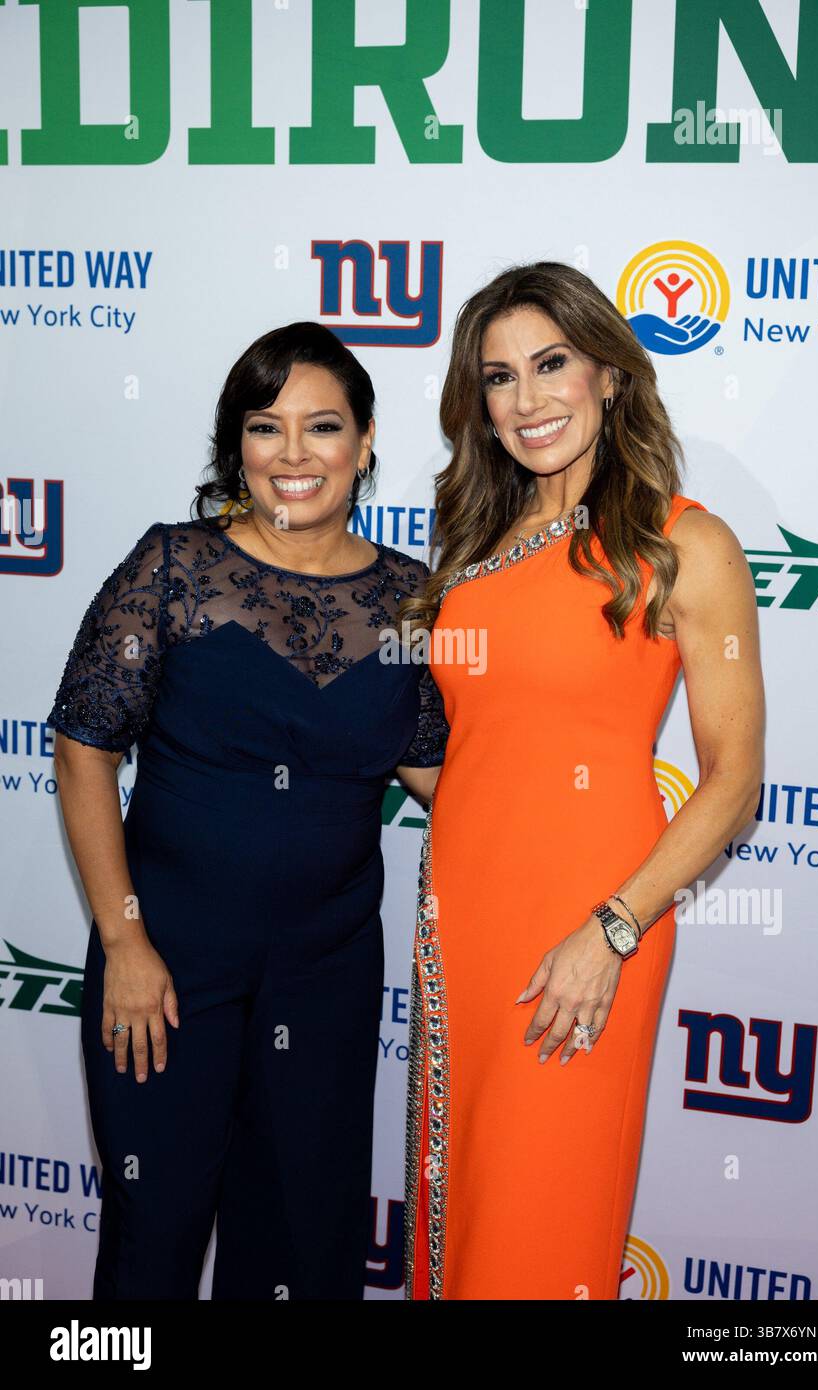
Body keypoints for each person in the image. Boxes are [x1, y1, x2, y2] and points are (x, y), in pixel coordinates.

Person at [47, 322, 449, 1300]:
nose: (296, 454)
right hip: (168, 968)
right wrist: (126, 941)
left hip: (326, 977)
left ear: (363, 441)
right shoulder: (173, 570)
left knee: (303, 1247)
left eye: (323, 426)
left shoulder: (410, 601)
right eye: (267, 428)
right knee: (156, 1230)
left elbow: (447, 777)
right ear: (237, 448)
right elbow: (83, 748)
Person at [398, 262, 765, 1300]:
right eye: (500, 378)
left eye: (551, 364)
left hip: (596, 922)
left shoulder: (683, 542)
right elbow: (479, 752)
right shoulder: (473, 548)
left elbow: (733, 780)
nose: (529, 399)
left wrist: (613, 927)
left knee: (540, 1219)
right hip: (458, 925)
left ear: (608, 372)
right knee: (455, 1208)